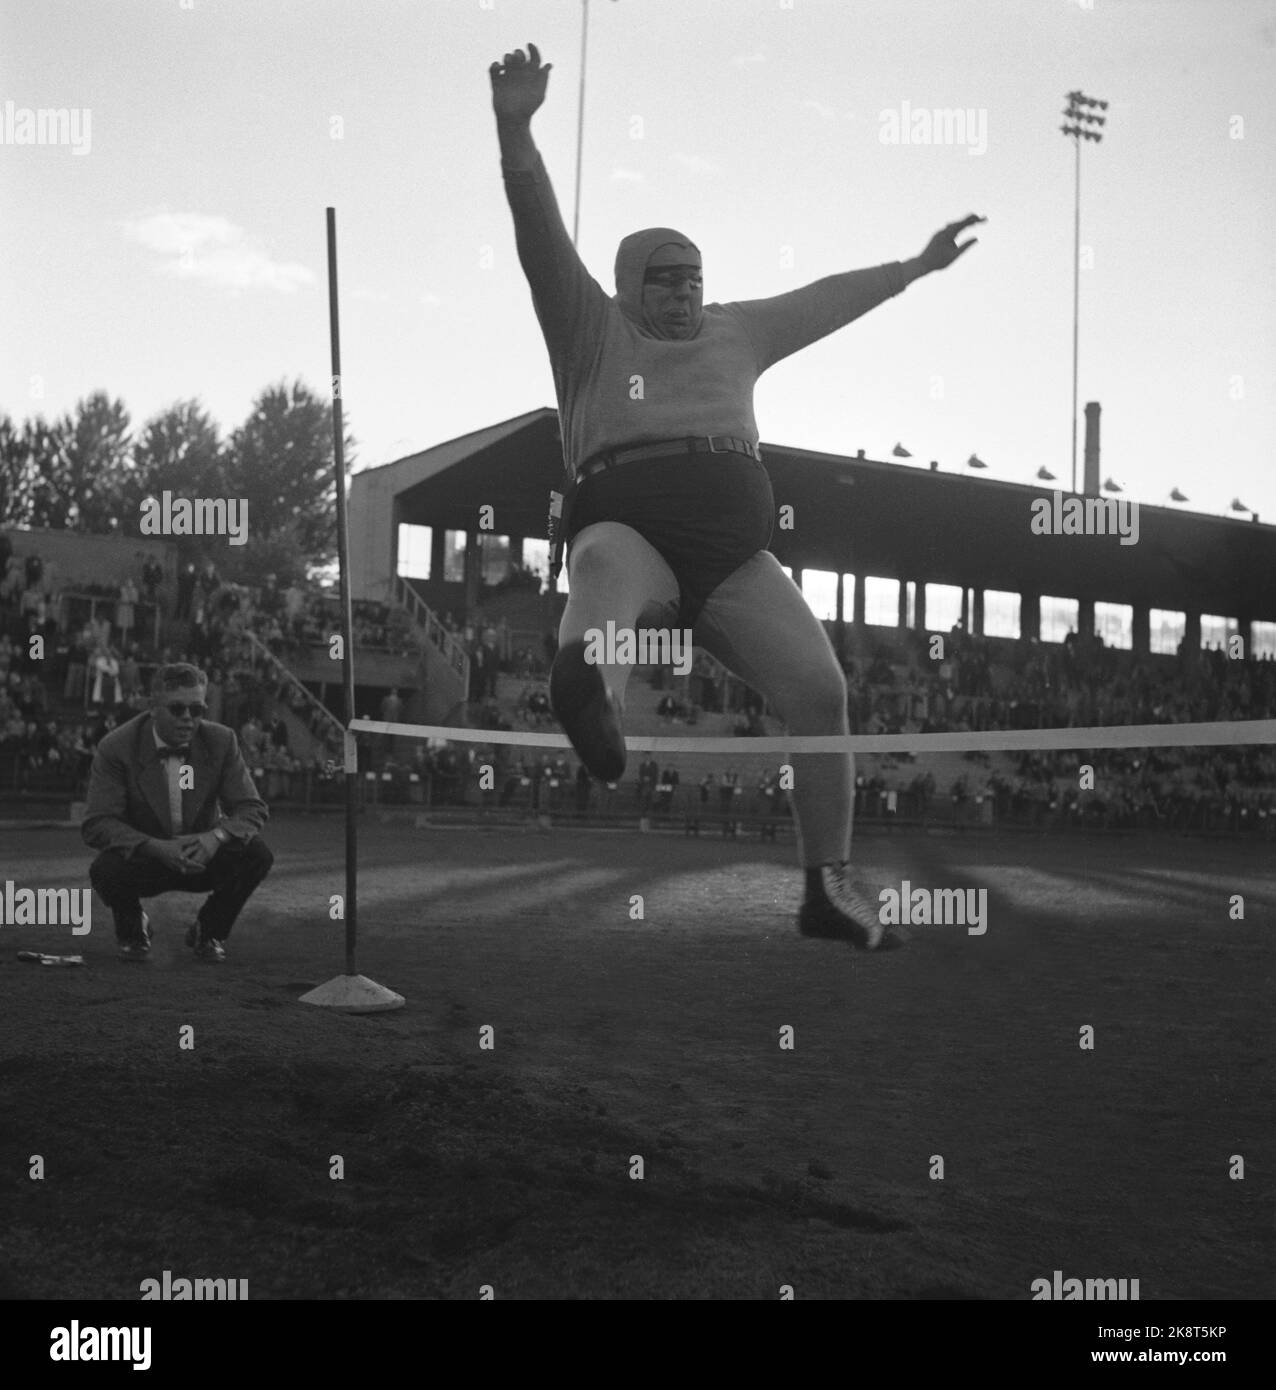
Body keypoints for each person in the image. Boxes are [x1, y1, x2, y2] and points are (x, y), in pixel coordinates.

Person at [491, 43, 983, 948]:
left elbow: (823, 300)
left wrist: (910, 270)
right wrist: (516, 129)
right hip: (628, 514)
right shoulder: (588, 325)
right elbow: (538, 237)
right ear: (629, 284)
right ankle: (587, 692)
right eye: (664, 281)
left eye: (693, 281)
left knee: (821, 689)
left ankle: (825, 887)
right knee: (603, 573)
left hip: (733, 553)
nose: (683, 296)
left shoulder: (738, 331)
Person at [82, 662, 272, 963]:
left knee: (257, 854)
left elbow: (252, 807)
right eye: (177, 709)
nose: (188, 719)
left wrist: (217, 837)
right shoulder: (116, 746)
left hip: (203, 857)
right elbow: (97, 823)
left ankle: (208, 930)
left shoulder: (222, 741)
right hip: (146, 859)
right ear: (152, 707)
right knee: (105, 869)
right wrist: (155, 847)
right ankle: (133, 929)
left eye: (196, 710)